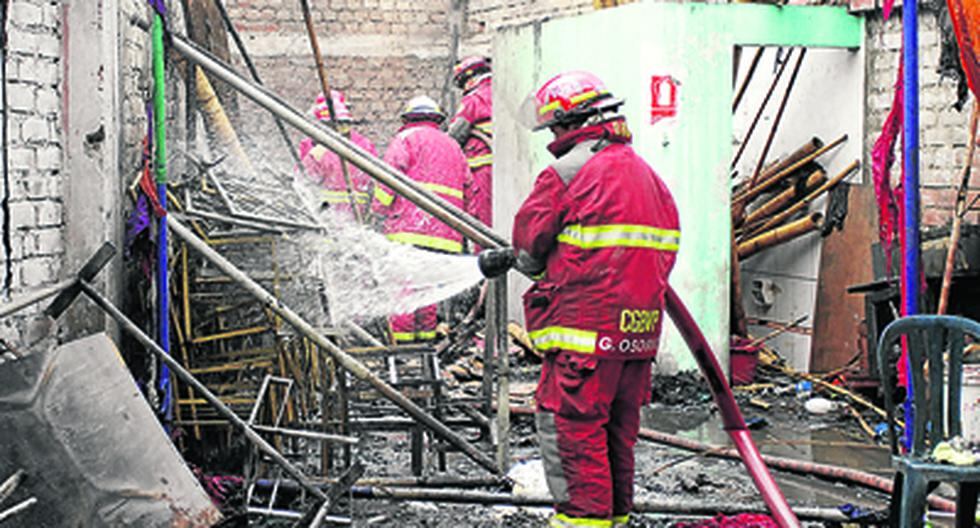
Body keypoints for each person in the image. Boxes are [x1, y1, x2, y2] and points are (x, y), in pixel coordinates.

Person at [513, 71, 681, 528]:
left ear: (571, 123)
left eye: (554, 127)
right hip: (637, 339)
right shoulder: (649, 177)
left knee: (573, 435)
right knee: (615, 439)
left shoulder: (568, 172)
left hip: (582, 340)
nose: (553, 136)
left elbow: (528, 252)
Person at [373, 95, 471, 342]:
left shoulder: (405, 140)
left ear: (407, 119)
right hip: (446, 235)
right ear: (436, 119)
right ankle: (426, 345)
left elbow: (388, 179)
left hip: (408, 230)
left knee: (404, 290)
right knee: (428, 289)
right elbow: (468, 188)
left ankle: (405, 351)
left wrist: (378, 209)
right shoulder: (453, 145)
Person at [298, 89, 377, 220]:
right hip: (360, 216)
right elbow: (374, 183)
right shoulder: (365, 145)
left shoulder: (318, 152)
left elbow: (303, 182)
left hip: (327, 217)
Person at [447, 56, 494, 233]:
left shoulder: (474, 98)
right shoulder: (501, 93)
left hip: (481, 169)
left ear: (471, 78)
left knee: (481, 220)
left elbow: (456, 134)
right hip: (503, 169)